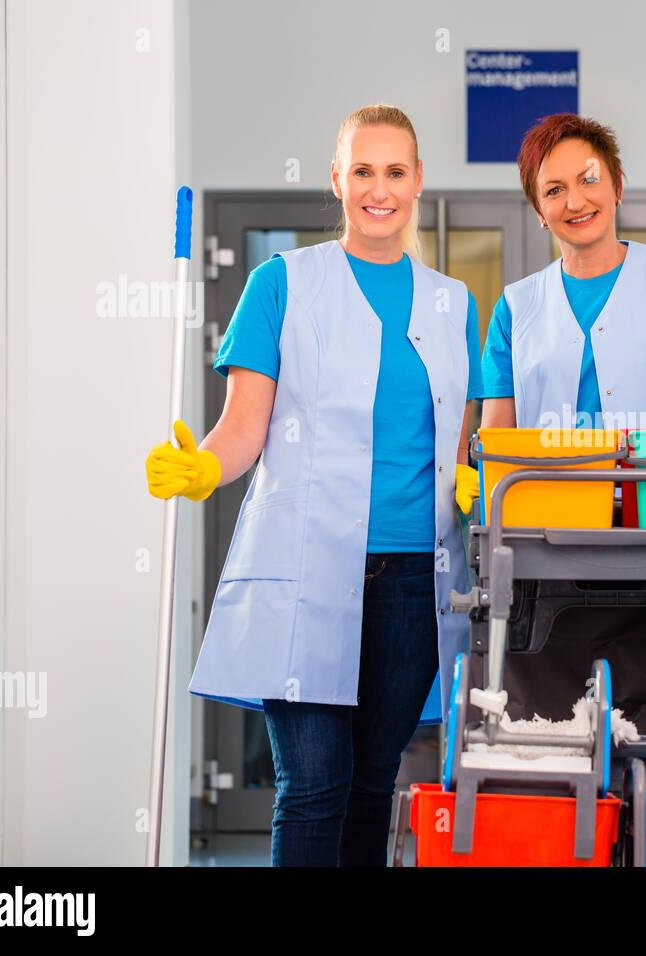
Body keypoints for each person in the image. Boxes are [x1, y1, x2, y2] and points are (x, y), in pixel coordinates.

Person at [144, 104, 484, 865]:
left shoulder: (451, 302)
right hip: (305, 571)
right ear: (337, 178)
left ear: (418, 180)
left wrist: (476, 481)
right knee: (315, 781)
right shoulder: (281, 285)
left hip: (411, 583)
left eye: (395, 171)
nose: (379, 189)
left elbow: (460, 445)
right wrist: (203, 466)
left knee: (371, 782)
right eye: (362, 170)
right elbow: (243, 430)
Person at [468, 113, 646, 737]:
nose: (575, 200)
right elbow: (496, 440)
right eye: (553, 190)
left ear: (617, 183)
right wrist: (479, 491)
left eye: (587, 179)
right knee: (547, 756)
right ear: (539, 211)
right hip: (549, 566)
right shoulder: (516, 308)